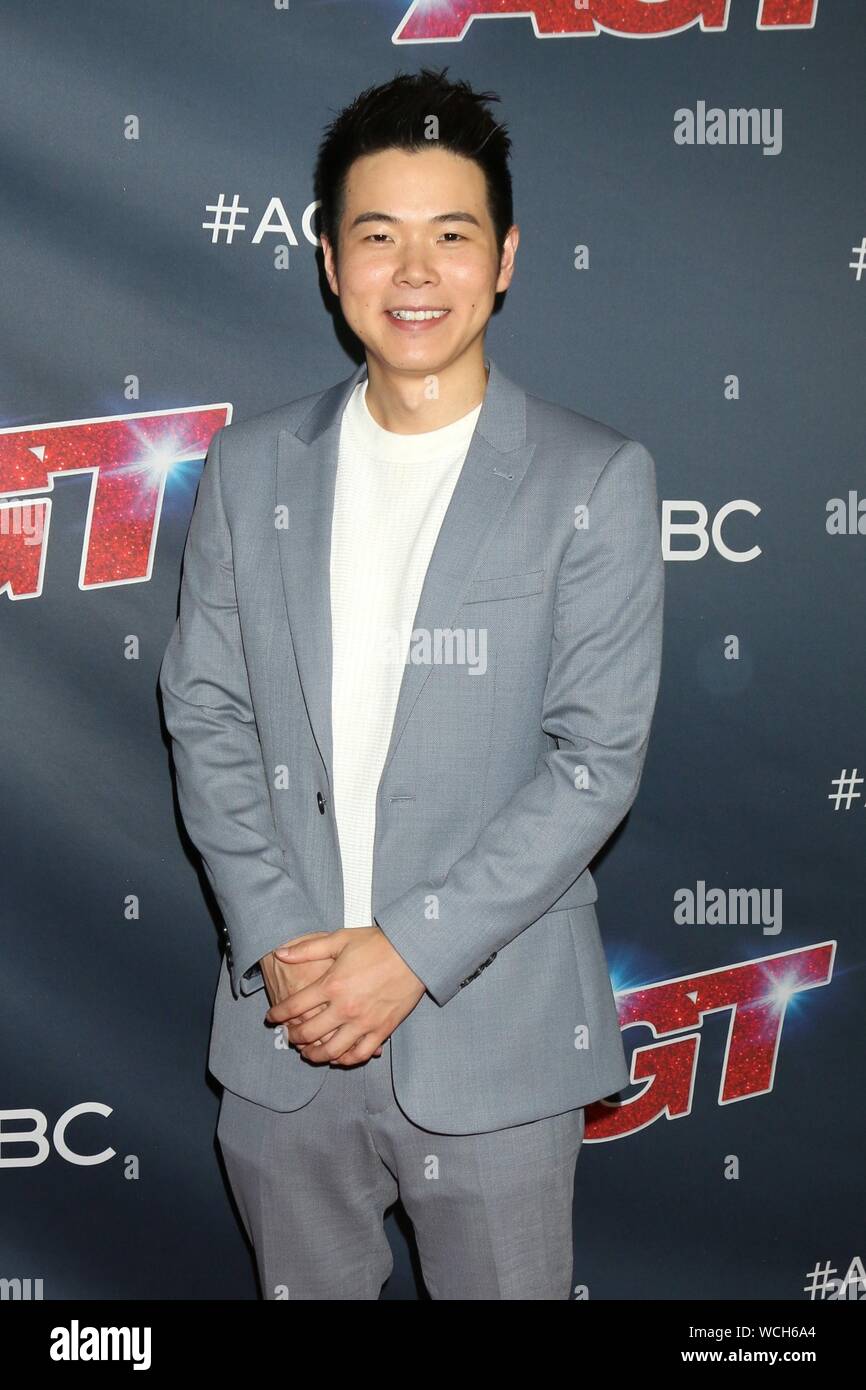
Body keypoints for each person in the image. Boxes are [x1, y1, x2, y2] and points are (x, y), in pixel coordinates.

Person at [159, 66, 664, 1300]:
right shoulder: (246, 466)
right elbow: (205, 709)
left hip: (493, 1043)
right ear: (331, 263)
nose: (415, 272)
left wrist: (406, 954)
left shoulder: (592, 480)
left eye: (451, 235)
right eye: (378, 237)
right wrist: (280, 938)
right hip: (286, 1036)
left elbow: (592, 760)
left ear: (504, 260)